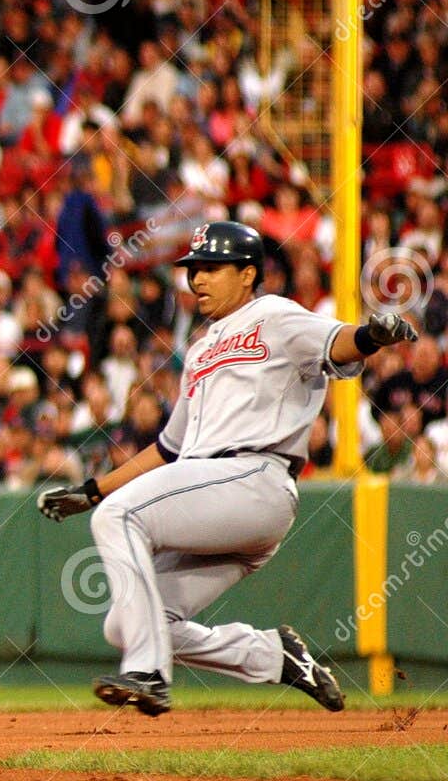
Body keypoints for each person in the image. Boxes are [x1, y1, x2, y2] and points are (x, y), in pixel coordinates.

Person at [38, 222, 420, 716]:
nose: (198, 279)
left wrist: (371, 335)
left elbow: (336, 343)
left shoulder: (274, 313)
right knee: (126, 623)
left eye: (212, 268)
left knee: (119, 516)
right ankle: (273, 655)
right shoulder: (199, 350)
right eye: (194, 270)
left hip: (256, 477)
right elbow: (167, 449)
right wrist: (93, 490)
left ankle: (148, 673)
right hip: (207, 492)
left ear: (247, 274)